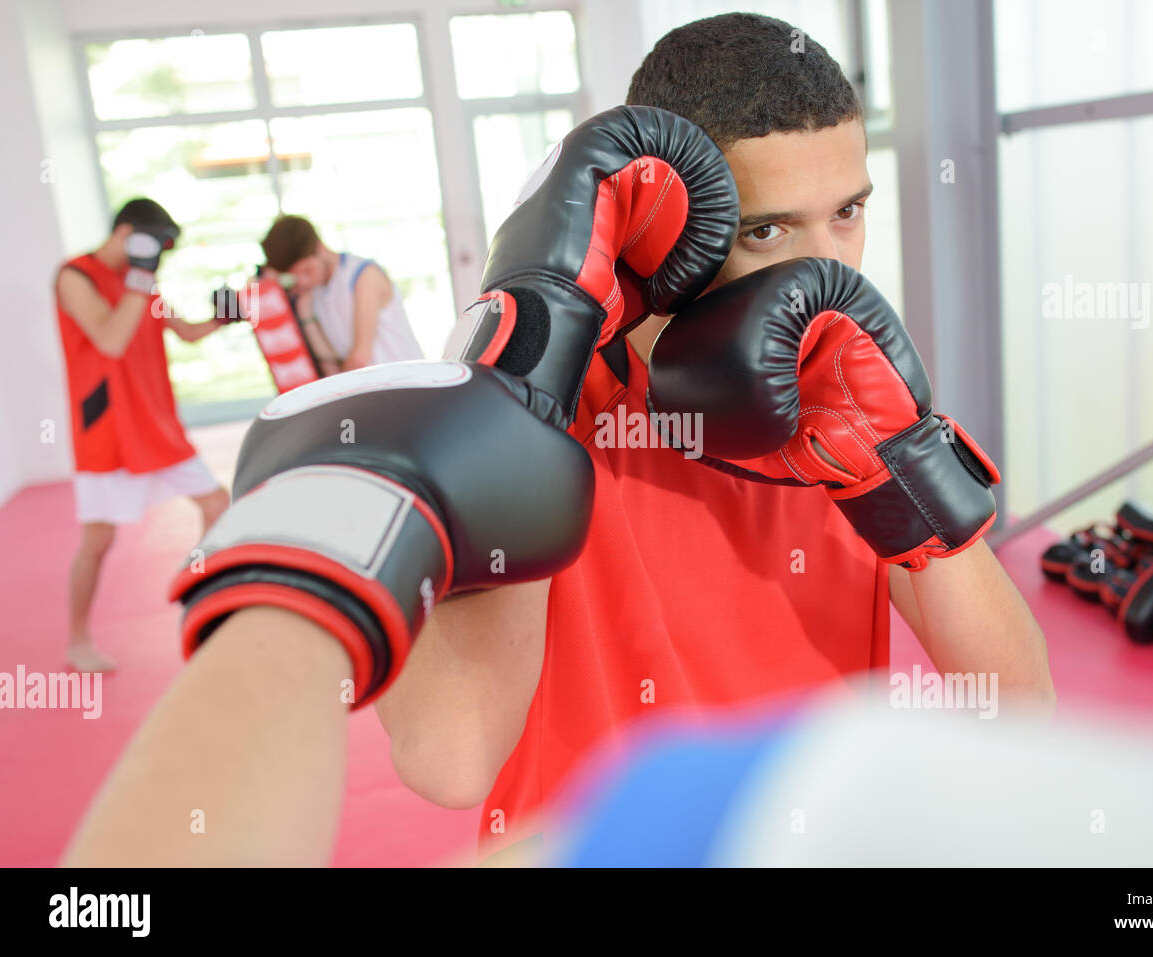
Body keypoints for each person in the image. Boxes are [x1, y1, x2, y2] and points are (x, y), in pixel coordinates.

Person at [378, 12, 1053, 863]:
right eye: (765, 231)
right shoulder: (545, 403)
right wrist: (523, 392)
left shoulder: (850, 394)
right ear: (670, 226)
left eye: (847, 212)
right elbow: (451, 759)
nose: (828, 273)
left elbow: (1021, 707)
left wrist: (902, 468)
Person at [53, 197, 231, 673]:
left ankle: (193, 592)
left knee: (218, 506)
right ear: (128, 232)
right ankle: (77, 640)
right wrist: (139, 280)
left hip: (156, 423)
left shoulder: (143, 282)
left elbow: (186, 332)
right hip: (108, 428)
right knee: (97, 541)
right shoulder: (76, 276)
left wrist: (226, 313)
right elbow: (110, 339)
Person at [258, 214, 424, 370]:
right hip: (371, 392)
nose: (303, 281)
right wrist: (306, 315)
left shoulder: (363, 275)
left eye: (307, 270)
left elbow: (360, 358)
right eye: (295, 277)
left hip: (407, 386)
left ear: (320, 247)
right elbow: (330, 365)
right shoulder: (314, 293)